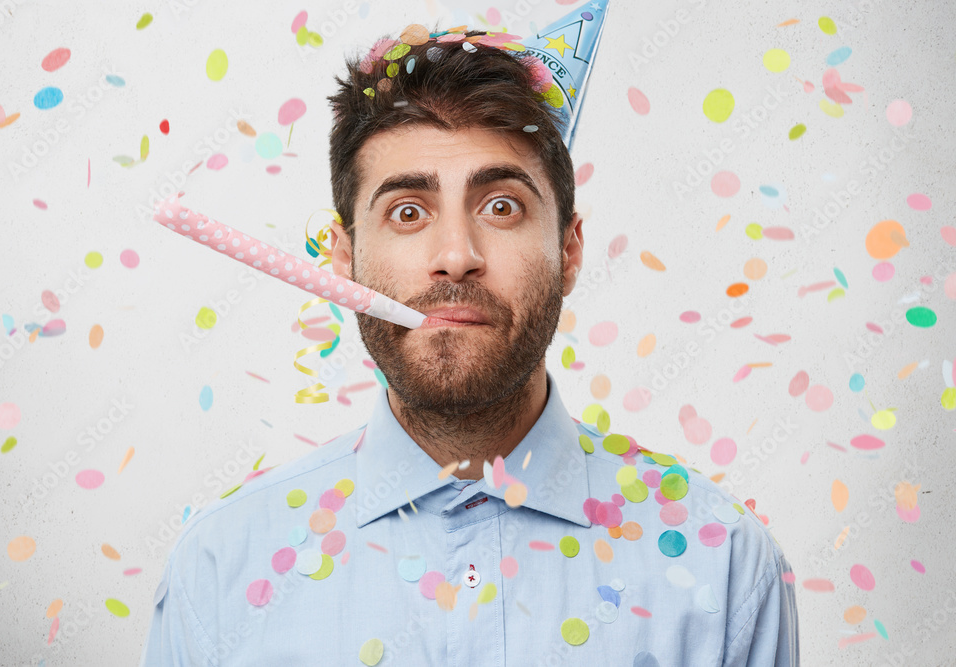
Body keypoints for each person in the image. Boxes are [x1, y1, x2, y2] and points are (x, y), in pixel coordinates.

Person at [140, 22, 799, 667]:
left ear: (569, 250)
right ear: (343, 258)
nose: (456, 257)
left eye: (502, 206)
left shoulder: (729, 569)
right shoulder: (218, 570)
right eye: (407, 212)